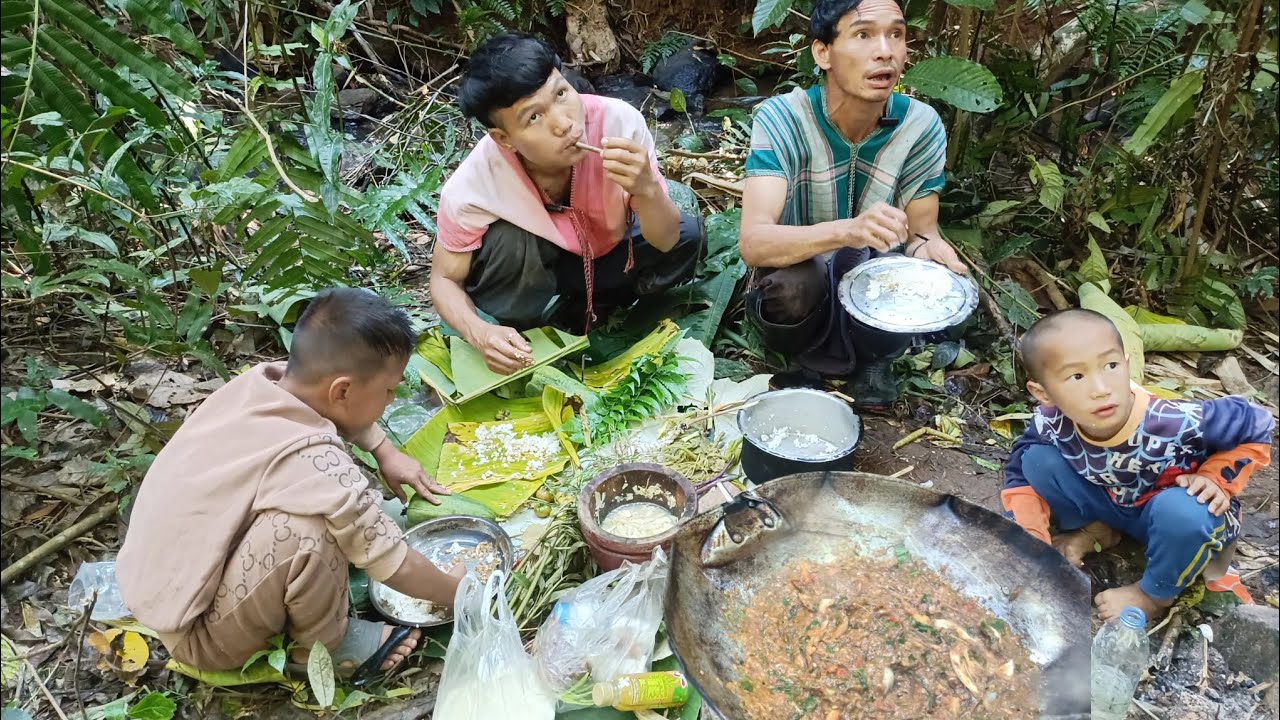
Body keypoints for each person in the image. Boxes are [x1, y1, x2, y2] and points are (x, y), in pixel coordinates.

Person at [117, 288, 464, 681]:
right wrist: (459, 590)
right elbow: (395, 565)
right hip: (200, 636)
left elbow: (328, 405)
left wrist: (384, 450)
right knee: (308, 530)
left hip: (165, 590)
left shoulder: (261, 384)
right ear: (344, 390)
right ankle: (323, 649)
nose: (390, 401)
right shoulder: (315, 462)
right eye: (388, 391)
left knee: (343, 517)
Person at [430, 32, 705, 375]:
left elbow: (665, 240)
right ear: (505, 139)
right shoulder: (476, 183)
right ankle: (521, 328)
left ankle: (593, 306)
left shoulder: (618, 124)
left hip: (604, 255)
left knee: (688, 233)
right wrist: (479, 333)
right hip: (533, 272)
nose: (564, 124)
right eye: (534, 117)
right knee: (509, 239)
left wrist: (647, 189)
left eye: (561, 94)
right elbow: (443, 279)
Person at [740, 0, 967, 407]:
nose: (885, 51)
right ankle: (800, 354)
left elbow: (920, 233)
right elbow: (754, 242)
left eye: (896, 34)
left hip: (875, 276)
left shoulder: (921, 125)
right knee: (792, 289)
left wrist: (930, 250)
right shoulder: (781, 119)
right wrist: (847, 230)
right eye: (863, 35)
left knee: (908, 281)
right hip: (801, 264)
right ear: (822, 52)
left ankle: (873, 360)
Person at [1001, 309, 1274, 621]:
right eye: (1077, 376)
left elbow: (1257, 424)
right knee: (1036, 459)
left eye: (1111, 366)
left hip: (1175, 514)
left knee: (1185, 512)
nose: (1101, 388)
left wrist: (1216, 477)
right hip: (1115, 501)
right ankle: (1097, 532)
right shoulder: (1050, 422)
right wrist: (1031, 541)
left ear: (1127, 365)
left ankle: (1154, 594)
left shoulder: (1177, 421)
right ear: (1043, 393)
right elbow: (1020, 471)